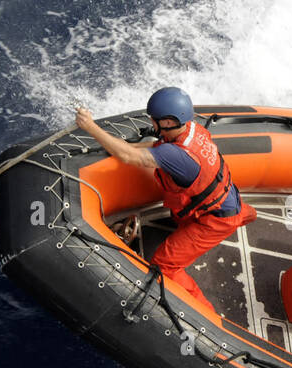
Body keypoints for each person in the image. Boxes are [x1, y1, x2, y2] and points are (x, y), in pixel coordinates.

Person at [75, 87, 255, 308]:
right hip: (225, 198)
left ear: (168, 122)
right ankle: (247, 215)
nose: (152, 121)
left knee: (163, 265)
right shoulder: (191, 130)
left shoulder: (176, 155)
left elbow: (130, 156)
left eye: (155, 119)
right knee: (223, 211)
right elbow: (153, 146)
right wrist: (123, 146)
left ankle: (204, 313)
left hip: (215, 220)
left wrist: (90, 127)